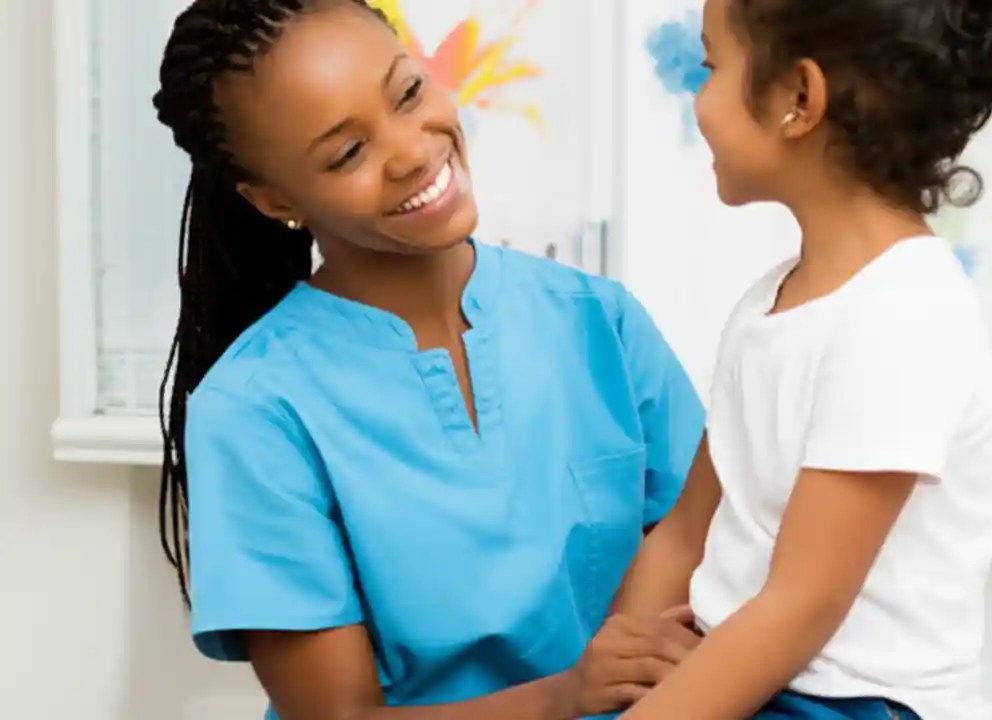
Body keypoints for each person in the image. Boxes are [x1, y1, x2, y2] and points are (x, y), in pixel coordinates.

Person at [150, 1, 707, 718]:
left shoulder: (601, 320)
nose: (413, 151)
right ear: (274, 199)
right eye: (347, 152)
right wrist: (567, 698)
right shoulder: (254, 409)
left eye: (408, 92)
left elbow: (716, 553)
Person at [610, 0, 992, 718]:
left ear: (799, 98)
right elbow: (684, 534)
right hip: (755, 672)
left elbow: (800, 607)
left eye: (712, 66)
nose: (697, 100)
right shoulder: (771, 304)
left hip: (854, 703)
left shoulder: (902, 311)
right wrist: (612, 667)